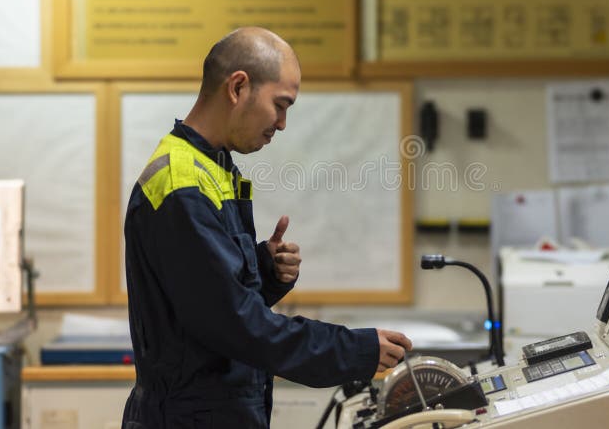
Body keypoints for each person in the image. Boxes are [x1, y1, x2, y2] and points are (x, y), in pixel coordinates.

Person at [122, 27, 412, 428]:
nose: (282, 122)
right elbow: (236, 325)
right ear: (238, 87)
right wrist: (354, 351)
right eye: (280, 104)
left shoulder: (212, 169)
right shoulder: (181, 187)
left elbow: (208, 297)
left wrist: (263, 268)